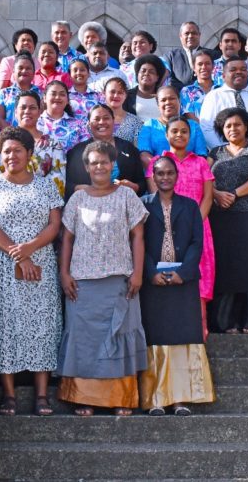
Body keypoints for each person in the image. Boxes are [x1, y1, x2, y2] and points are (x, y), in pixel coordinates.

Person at [0, 127, 64, 416]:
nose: (11, 155)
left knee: (43, 324)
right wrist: (19, 255)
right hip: (3, 264)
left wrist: (30, 248)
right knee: (5, 324)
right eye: (6, 151)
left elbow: (54, 224)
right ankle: (9, 395)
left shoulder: (46, 186)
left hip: (41, 262)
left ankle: (42, 395)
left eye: (17, 150)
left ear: (29, 154)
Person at [58, 140, 149, 417]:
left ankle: (122, 398)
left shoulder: (127, 196)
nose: (99, 166)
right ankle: (85, 398)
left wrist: (137, 273)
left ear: (113, 165)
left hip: (119, 279)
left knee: (119, 335)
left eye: (104, 162)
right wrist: (64, 273)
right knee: (85, 339)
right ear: (86, 167)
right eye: (94, 162)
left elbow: (138, 237)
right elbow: (67, 239)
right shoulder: (77, 199)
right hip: (82, 283)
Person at [139, 156, 215, 415]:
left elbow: (196, 242)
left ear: (177, 176)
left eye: (169, 173)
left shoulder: (190, 206)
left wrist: (184, 272)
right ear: (153, 176)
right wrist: (150, 272)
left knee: (182, 337)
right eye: (160, 173)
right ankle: (156, 398)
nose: (165, 178)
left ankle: (181, 398)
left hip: (184, 282)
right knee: (156, 337)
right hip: (153, 283)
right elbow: (138, 242)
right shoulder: (142, 205)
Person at [207, 108, 248, 334]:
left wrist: (234, 194)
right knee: (226, 264)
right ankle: (226, 321)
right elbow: (204, 179)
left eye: (237, 124)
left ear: (246, 127)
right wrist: (216, 194)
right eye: (228, 126)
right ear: (222, 130)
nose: (232, 129)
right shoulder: (215, 152)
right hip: (220, 215)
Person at [146, 117, 216, 306]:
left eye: (184, 131)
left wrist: (194, 224)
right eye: (174, 131)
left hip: (198, 227)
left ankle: (200, 324)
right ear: (166, 135)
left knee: (199, 288)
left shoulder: (201, 163)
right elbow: (155, 198)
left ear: (190, 135)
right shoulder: (157, 163)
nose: (179, 135)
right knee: (167, 284)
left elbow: (208, 197)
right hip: (165, 228)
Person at [0, 91, 67, 196]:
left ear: (40, 112)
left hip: (43, 202)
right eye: (23, 108)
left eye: (32, 108)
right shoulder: (2, 142)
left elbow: (58, 182)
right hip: (7, 200)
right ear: (16, 112)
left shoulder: (53, 145)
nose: (27, 111)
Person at [199, 56, 248, 152]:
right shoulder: (213, 97)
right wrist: (225, 153)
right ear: (223, 76)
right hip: (224, 157)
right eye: (233, 70)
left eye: (243, 69)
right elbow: (206, 128)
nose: (239, 72)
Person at [64, 104, 145, 198]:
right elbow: (67, 186)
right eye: (97, 119)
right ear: (89, 124)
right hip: (87, 203)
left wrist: (133, 187)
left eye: (106, 118)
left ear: (113, 121)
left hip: (123, 202)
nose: (102, 122)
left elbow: (142, 184)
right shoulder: (77, 152)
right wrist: (81, 189)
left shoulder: (129, 148)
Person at [137, 86, 207, 167]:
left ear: (179, 100)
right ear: (158, 104)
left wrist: (185, 171)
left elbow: (201, 155)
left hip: (191, 172)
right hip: (158, 173)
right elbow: (144, 155)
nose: (168, 102)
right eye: (163, 100)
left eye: (172, 98)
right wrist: (164, 170)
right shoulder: (149, 126)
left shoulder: (193, 126)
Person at [0, 53, 41, 129]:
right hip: (9, 134)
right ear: (13, 72)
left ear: (34, 72)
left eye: (28, 68)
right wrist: (14, 134)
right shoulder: (3, 94)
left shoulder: (41, 94)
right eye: (20, 68)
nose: (24, 71)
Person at [37, 80, 88, 150]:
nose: (57, 97)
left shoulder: (79, 125)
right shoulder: (35, 122)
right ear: (45, 98)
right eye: (53, 94)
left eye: (62, 94)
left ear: (67, 100)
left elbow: (86, 150)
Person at [125, 54, 167, 121]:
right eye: (143, 71)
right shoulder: (127, 96)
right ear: (137, 75)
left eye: (151, 72)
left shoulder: (164, 96)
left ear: (157, 77)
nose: (146, 74)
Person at [104, 77, 144, 145]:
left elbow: (137, 149)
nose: (116, 95)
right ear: (104, 93)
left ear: (125, 95)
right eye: (112, 92)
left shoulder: (136, 122)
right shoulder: (95, 120)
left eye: (120, 92)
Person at [165, 21, 203, 88]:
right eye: (186, 33)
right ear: (180, 36)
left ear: (199, 35)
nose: (190, 36)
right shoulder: (171, 56)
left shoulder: (212, 55)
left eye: (194, 33)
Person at [179, 49, 215, 117]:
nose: (204, 67)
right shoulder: (187, 91)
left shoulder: (221, 89)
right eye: (200, 64)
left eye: (207, 63)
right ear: (194, 68)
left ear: (213, 66)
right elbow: (189, 115)